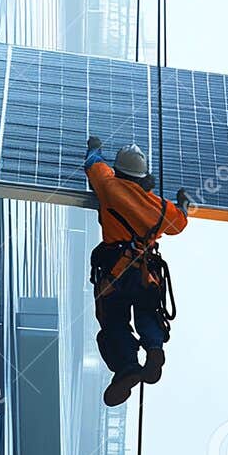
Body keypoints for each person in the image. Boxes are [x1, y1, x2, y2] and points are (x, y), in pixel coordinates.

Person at [85, 136, 190, 406]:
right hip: (145, 273)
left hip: (114, 271)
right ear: (143, 176)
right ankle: (154, 347)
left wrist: (95, 147)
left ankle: (127, 366)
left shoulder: (108, 185)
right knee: (147, 311)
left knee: (113, 323)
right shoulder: (158, 206)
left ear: (119, 171)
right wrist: (183, 206)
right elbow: (178, 225)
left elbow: (92, 164)